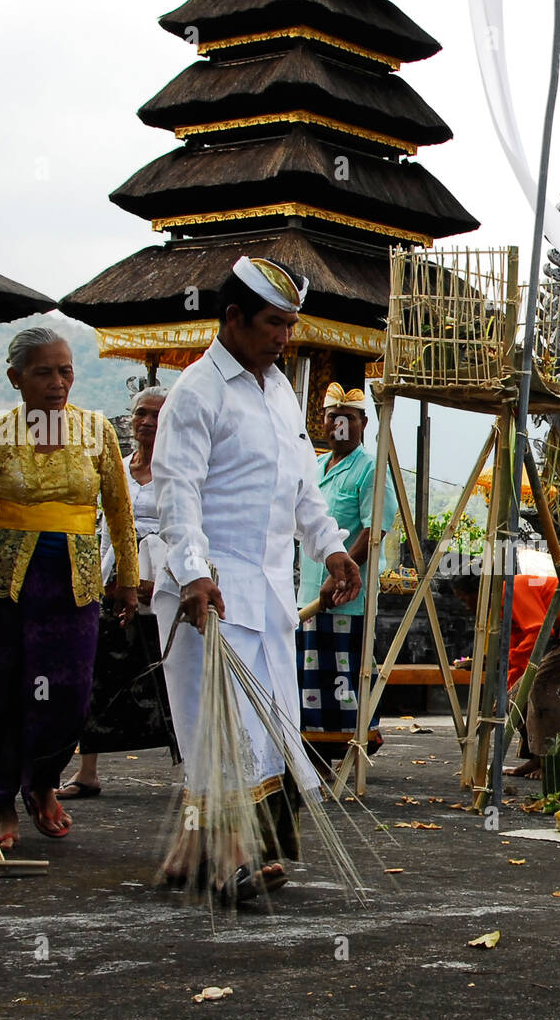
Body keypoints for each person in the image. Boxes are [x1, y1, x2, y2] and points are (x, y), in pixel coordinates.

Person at [151, 256, 361, 902]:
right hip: (207, 589)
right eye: (273, 323)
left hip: (268, 589)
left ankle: (201, 855)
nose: (283, 338)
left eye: (290, 325)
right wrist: (191, 573)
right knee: (220, 726)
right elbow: (175, 493)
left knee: (267, 722)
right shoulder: (196, 393)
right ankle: (229, 858)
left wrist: (331, 550)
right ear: (235, 317)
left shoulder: (278, 393)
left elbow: (303, 490)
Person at [0, 328, 138, 848]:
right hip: (6, 584)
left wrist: (127, 581)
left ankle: (42, 784)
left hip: (76, 585)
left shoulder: (96, 431)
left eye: (65, 370)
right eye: (43, 372)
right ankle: (2, 809)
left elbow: (119, 511)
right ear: (15, 378)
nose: (57, 382)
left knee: (65, 694)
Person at [59, 388, 178, 800]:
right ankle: (87, 770)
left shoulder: (178, 470)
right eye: (140, 414)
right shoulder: (118, 468)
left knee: (172, 676)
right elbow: (107, 527)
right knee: (100, 672)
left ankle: (192, 777)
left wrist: (159, 579)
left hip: (165, 582)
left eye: (157, 415)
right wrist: (102, 578)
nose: (147, 422)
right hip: (115, 579)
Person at [297, 382, 398, 765]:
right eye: (332, 417)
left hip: (346, 594)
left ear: (363, 423)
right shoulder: (316, 467)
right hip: (308, 588)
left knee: (344, 675)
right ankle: (315, 752)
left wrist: (340, 573)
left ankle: (350, 746)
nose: (339, 424)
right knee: (310, 676)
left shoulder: (371, 468)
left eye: (348, 418)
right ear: (322, 422)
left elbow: (375, 530)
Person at [450, 568, 560, 778]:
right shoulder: (503, 605)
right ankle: (538, 758)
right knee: (528, 690)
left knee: (540, 686)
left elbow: (537, 631)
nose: (467, 607)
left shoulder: (511, 589)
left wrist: (515, 693)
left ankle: (546, 759)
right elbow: (517, 654)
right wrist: (509, 694)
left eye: (466, 600)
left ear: (480, 593)